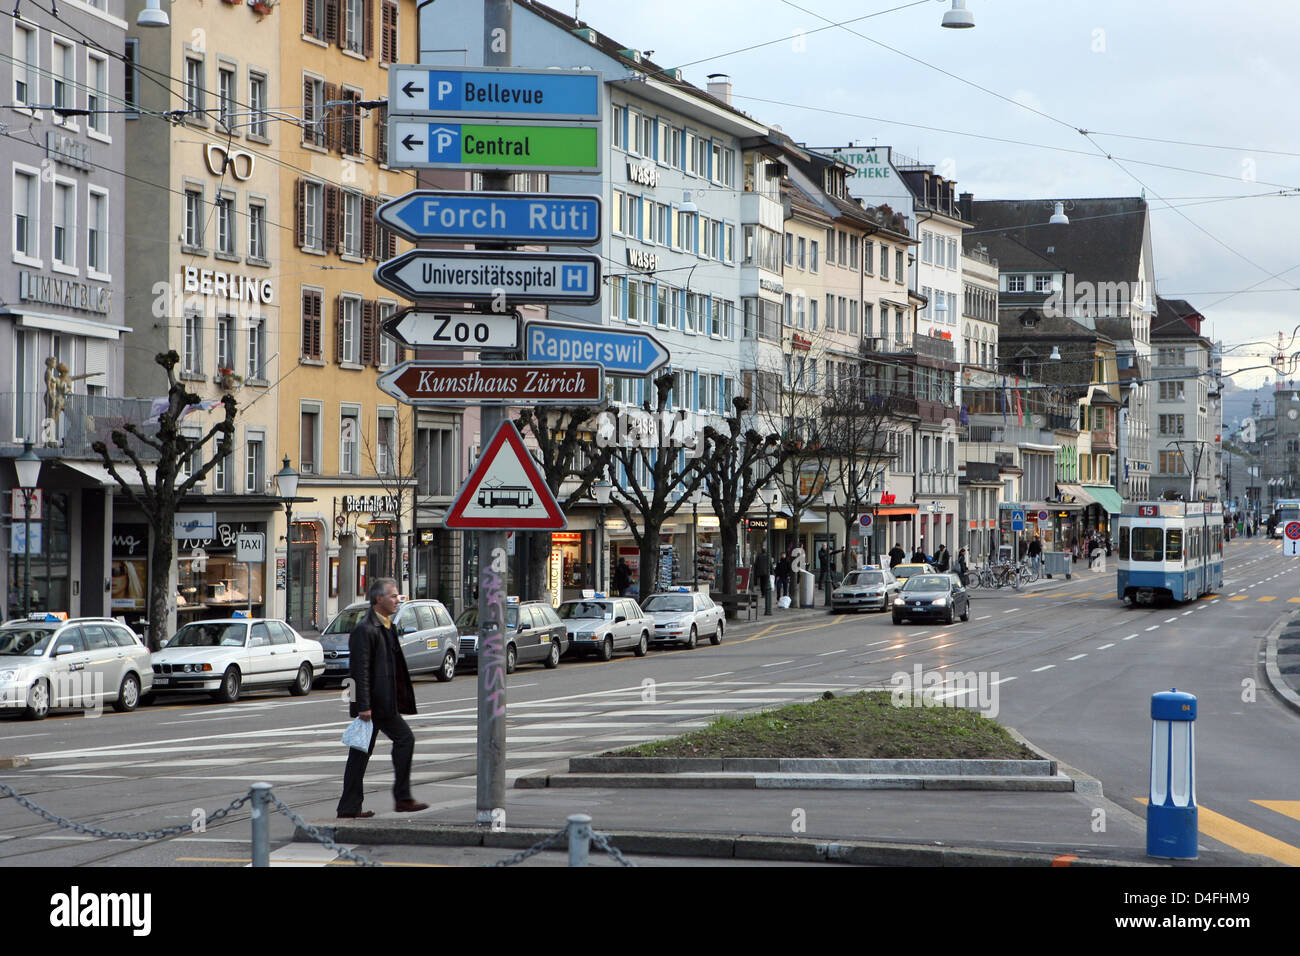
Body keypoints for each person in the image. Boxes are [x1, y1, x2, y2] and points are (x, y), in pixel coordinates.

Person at [337, 577, 427, 819]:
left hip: (384, 703)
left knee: (359, 755)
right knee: (404, 740)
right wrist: (362, 706)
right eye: (393, 595)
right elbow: (358, 670)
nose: (398, 600)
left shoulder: (386, 625)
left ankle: (349, 807)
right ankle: (402, 799)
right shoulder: (364, 629)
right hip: (375, 705)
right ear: (379, 599)